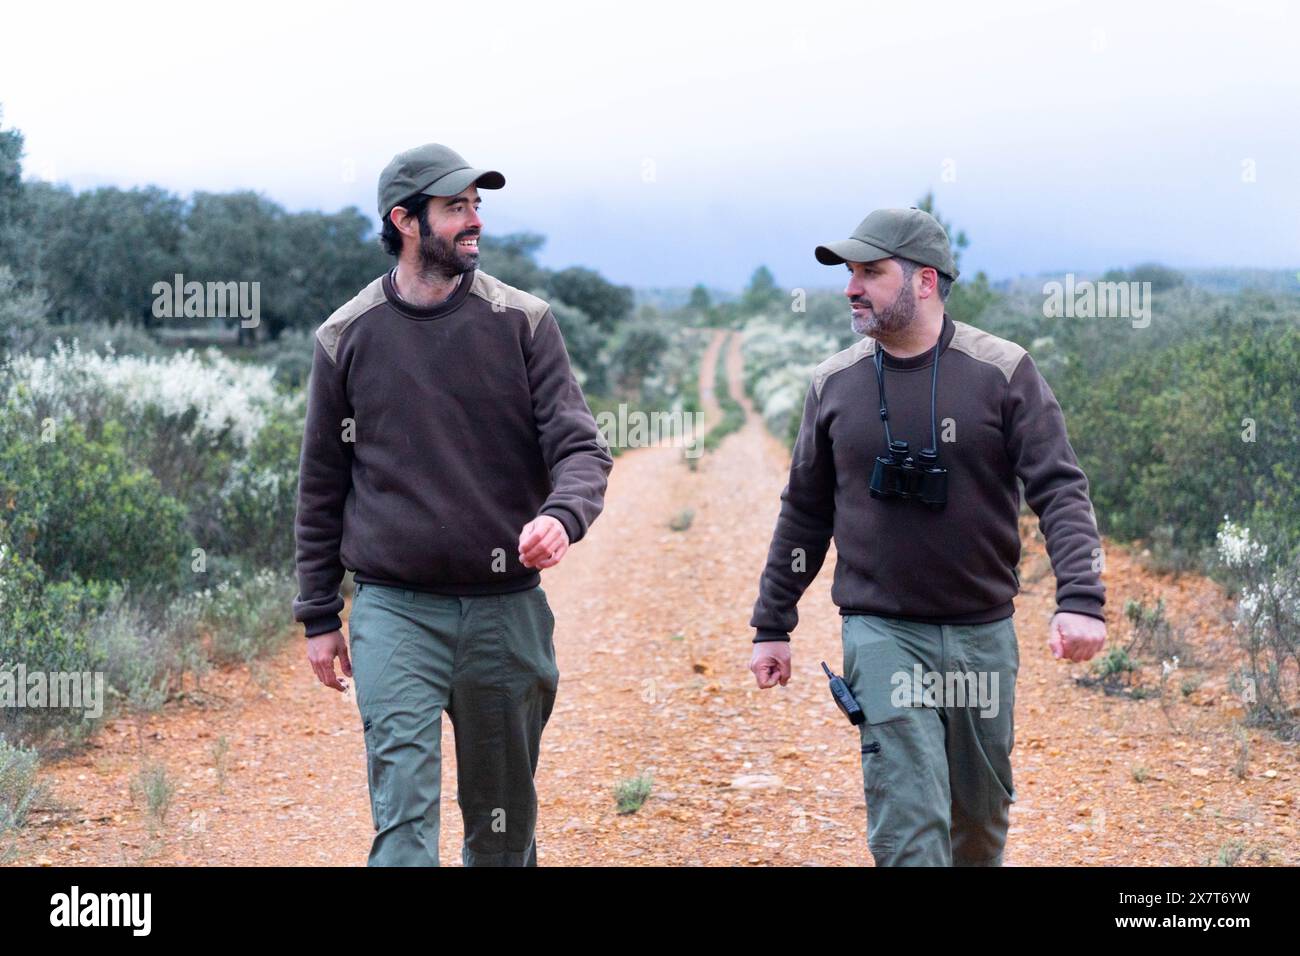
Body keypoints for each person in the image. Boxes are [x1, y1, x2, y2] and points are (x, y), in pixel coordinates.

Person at [747, 207, 1107, 866]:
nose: (852, 287)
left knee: (978, 823)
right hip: (881, 631)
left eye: (870, 272)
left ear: (925, 282)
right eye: (850, 273)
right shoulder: (835, 383)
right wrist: (772, 622)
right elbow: (803, 510)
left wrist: (1080, 599)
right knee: (909, 823)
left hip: (983, 632)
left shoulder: (1002, 371)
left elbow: (1059, 489)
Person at [292, 143, 613, 866]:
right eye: (455, 207)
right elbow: (321, 485)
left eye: (476, 204)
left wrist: (560, 519)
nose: (473, 220)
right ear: (405, 220)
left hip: (505, 610)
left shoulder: (523, 322)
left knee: (501, 832)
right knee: (403, 828)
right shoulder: (346, 336)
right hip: (393, 610)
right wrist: (318, 613)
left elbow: (582, 450)